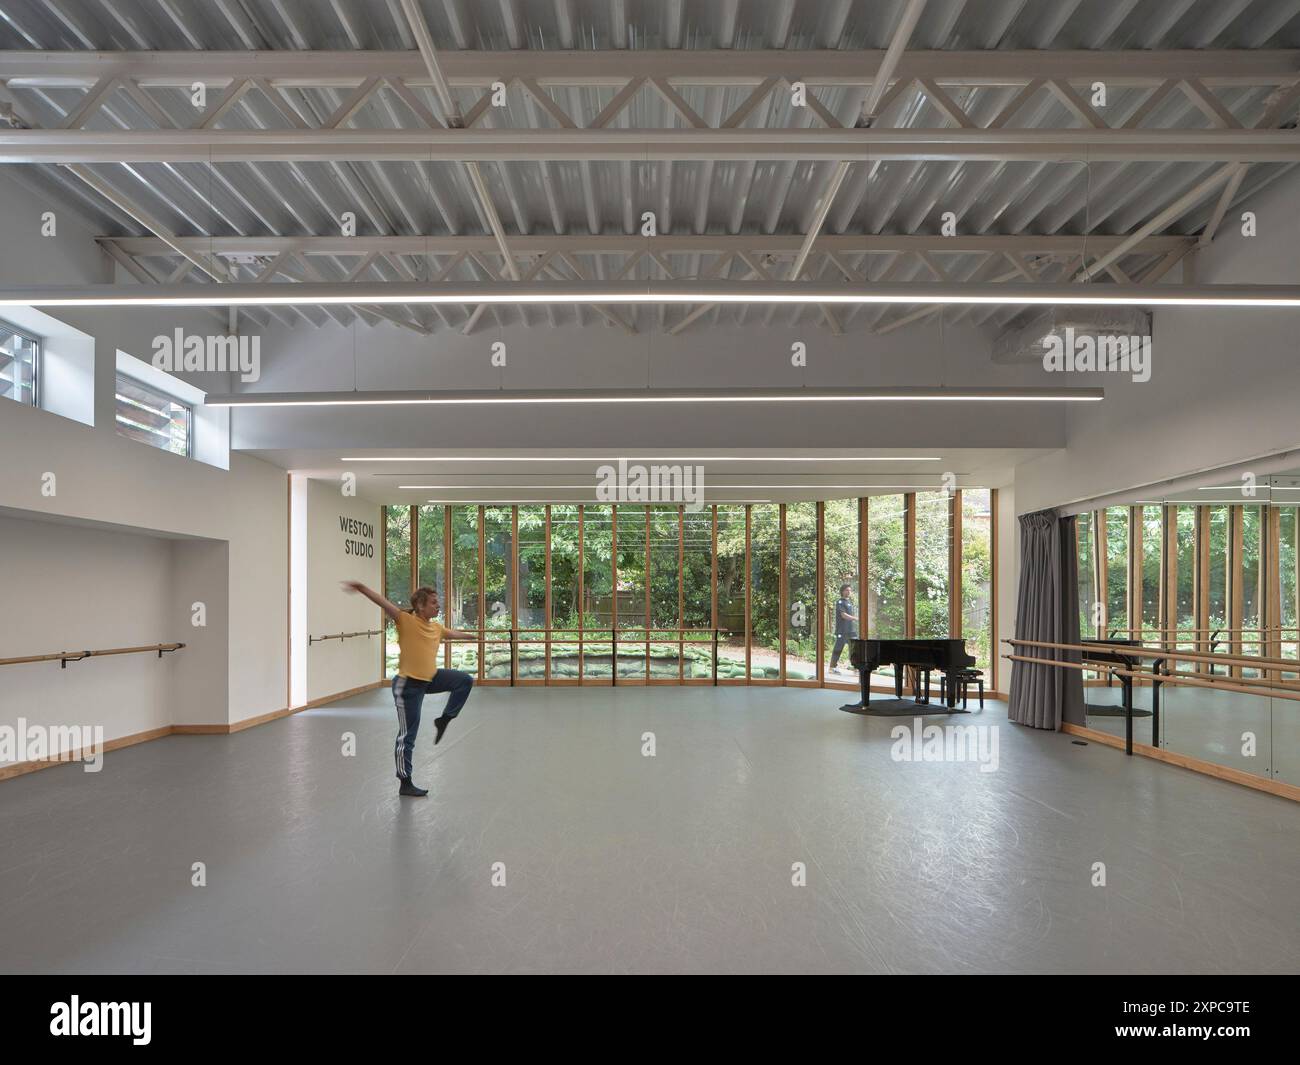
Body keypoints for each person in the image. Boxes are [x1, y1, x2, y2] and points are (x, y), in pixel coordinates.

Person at [343, 581, 476, 797]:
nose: (438, 606)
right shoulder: (405, 620)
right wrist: (361, 588)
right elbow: (382, 602)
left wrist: (475, 636)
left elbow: (453, 634)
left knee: (464, 680)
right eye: (434, 603)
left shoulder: (437, 627)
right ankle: (405, 781)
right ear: (420, 606)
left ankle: (445, 718)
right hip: (408, 685)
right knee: (407, 734)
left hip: (430, 679)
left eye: (438, 602)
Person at [829, 582, 859, 674]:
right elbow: (843, 615)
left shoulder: (849, 602)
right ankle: (832, 667)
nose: (849, 592)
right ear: (842, 591)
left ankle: (856, 668)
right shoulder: (840, 602)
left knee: (854, 649)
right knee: (838, 648)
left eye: (850, 590)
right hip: (842, 631)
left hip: (851, 631)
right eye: (846, 590)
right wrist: (855, 618)